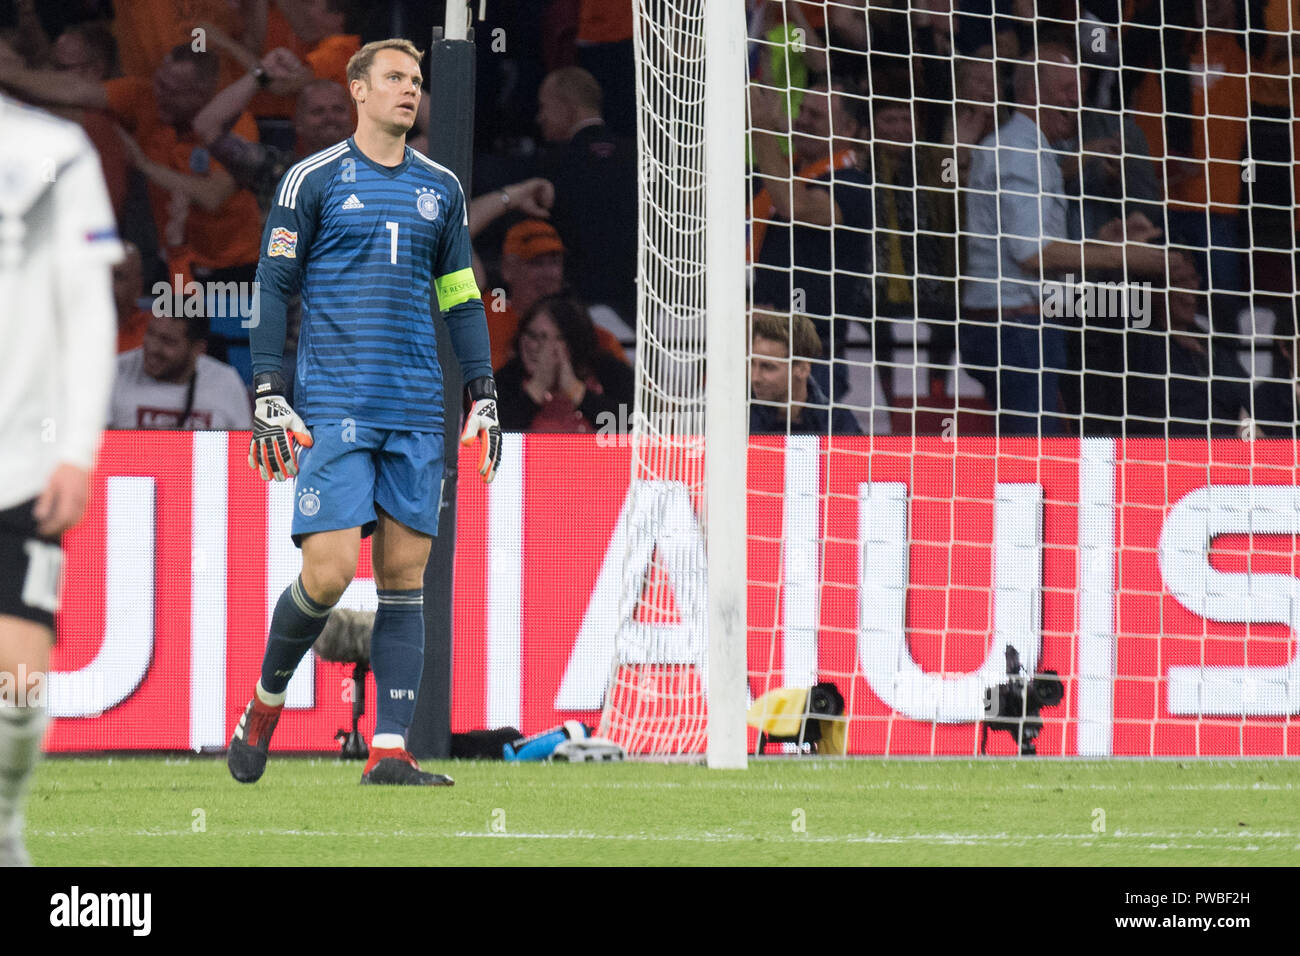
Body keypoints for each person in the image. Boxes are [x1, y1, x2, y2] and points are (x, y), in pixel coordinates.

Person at [227, 38, 502, 788]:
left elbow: (460, 295)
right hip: (337, 406)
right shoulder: (311, 180)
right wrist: (266, 390)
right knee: (328, 571)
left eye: (416, 81)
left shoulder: (440, 188)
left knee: (405, 576)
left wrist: (482, 390)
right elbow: (274, 287)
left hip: (416, 408)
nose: (409, 91)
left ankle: (389, 750)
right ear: (357, 89)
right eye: (394, 79)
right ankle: (265, 702)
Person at [0, 93, 120, 866]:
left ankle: (6, 825)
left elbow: (87, 307)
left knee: (16, 686)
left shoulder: (51, 150)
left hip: (18, 461)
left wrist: (78, 448)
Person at [960, 43, 1187, 435]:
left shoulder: (1034, 150)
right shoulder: (1018, 152)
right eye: (1066, 88)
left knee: (1040, 448)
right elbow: (1033, 255)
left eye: (1079, 87)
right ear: (1032, 92)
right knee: (1033, 458)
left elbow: (1033, 242)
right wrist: (1122, 256)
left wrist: (1103, 238)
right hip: (1014, 328)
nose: (1076, 97)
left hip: (1020, 325)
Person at [535, 66, 638, 324]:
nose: (540, 117)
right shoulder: (639, 157)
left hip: (579, 312)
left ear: (567, 106)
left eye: (544, 107)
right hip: (641, 306)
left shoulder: (553, 165)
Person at [484, 218, 627, 370]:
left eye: (555, 262)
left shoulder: (592, 338)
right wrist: (510, 197)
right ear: (508, 269)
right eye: (536, 263)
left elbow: (635, 388)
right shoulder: (488, 314)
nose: (549, 274)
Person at [495, 295, 634, 432]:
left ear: (572, 343)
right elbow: (493, 433)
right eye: (531, 335)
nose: (533, 346)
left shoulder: (609, 371)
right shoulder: (505, 379)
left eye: (545, 338)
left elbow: (630, 428)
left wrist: (574, 389)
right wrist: (538, 387)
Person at [108, 313, 252, 429]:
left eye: (168, 341)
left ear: (198, 349)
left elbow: (242, 454)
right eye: (150, 333)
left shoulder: (226, 381)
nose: (152, 347)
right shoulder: (115, 372)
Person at [749, 311, 863, 436]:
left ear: (803, 369)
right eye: (752, 364)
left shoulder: (838, 423)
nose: (755, 378)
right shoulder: (737, 418)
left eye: (768, 367)